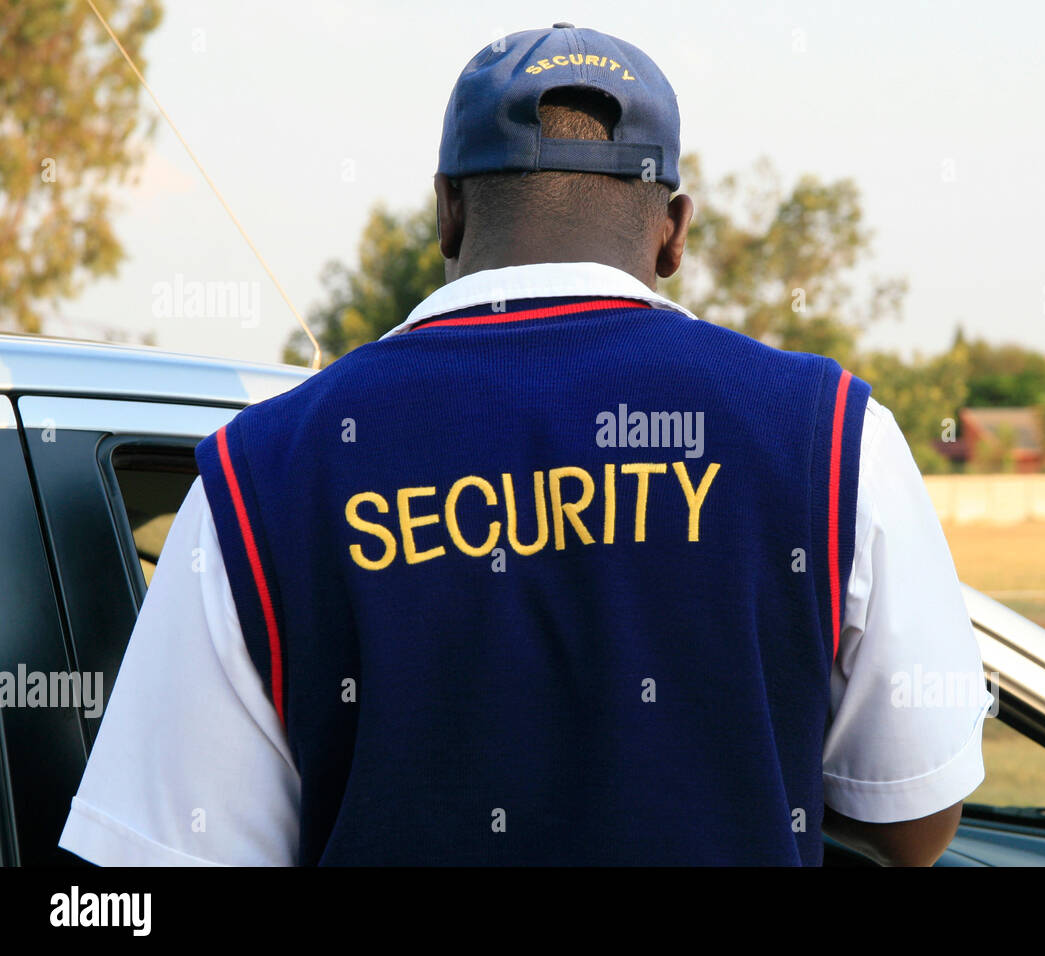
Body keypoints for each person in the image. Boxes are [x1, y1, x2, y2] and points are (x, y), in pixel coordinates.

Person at [58, 23, 992, 866]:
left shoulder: (258, 473)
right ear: (672, 231)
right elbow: (914, 818)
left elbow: (158, 856)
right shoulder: (827, 434)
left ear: (446, 214)